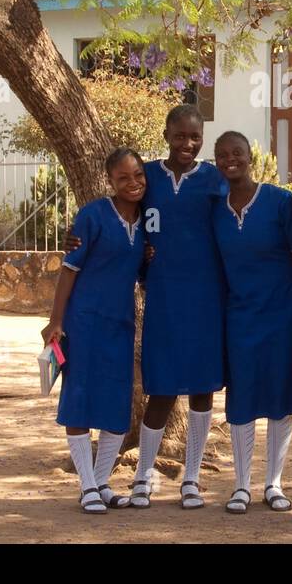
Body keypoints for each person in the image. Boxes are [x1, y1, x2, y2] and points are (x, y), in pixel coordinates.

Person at [130, 104, 229, 509]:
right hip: (165, 298)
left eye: (195, 137)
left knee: (203, 389)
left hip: (206, 298)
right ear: (167, 134)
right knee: (162, 389)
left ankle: (190, 478)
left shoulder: (213, 179)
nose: (187, 143)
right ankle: (143, 476)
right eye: (180, 135)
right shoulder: (147, 177)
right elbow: (124, 218)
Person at [42, 147, 147, 514]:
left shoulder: (149, 221)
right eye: (123, 178)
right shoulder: (92, 216)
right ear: (110, 181)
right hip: (84, 322)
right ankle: (86, 485)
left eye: (138, 175)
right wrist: (56, 321)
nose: (132, 183)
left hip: (121, 324)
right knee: (80, 401)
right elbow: (69, 270)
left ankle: (101, 481)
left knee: (117, 405)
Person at [210, 131, 292, 514]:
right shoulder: (214, 208)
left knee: (279, 399)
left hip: (283, 314)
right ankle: (241, 486)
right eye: (222, 155)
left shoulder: (280, 202)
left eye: (237, 153)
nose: (230, 159)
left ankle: (274, 484)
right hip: (239, 316)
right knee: (242, 398)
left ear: (251, 157)